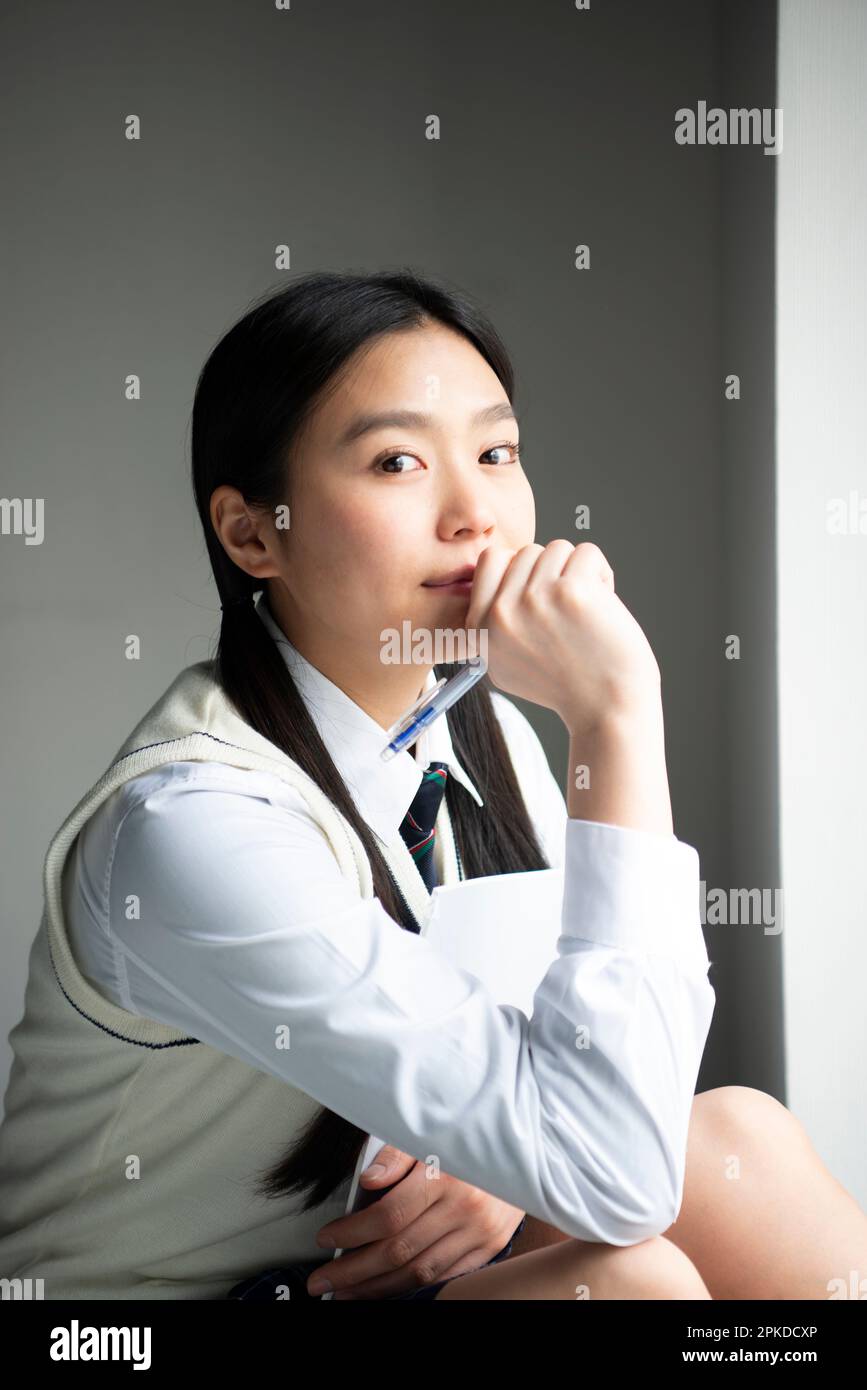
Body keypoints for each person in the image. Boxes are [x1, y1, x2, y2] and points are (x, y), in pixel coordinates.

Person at [0, 271, 864, 1302]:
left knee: (741, 1145)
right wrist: (618, 715)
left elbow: (594, 1102)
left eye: (497, 452)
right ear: (251, 534)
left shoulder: (477, 724)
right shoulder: (193, 827)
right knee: (631, 1281)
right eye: (398, 460)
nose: (476, 515)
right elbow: (613, 1171)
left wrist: (498, 1168)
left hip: (360, 1278)